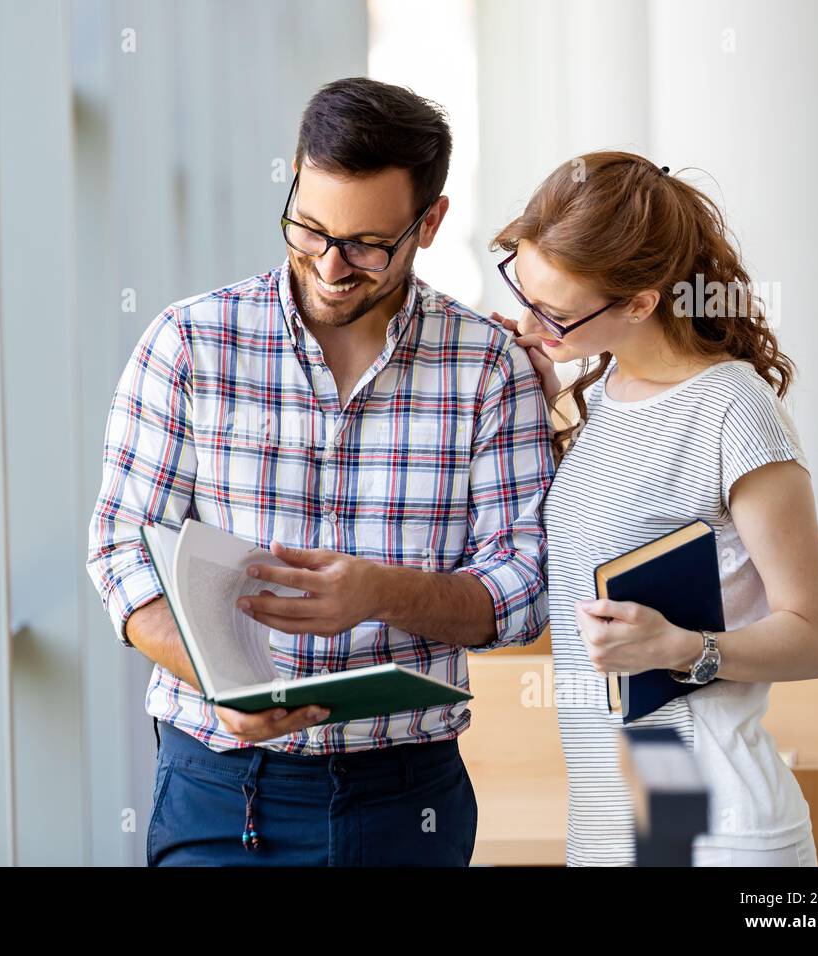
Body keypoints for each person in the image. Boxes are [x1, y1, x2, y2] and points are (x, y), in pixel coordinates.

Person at [86, 77, 554, 866]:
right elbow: (120, 556)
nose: (331, 266)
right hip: (219, 786)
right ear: (295, 180)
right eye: (309, 229)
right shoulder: (190, 344)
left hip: (409, 798)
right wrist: (217, 682)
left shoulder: (488, 367)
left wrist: (380, 592)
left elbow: (526, 587)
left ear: (430, 222)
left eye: (367, 244)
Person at [491, 151, 818, 866]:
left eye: (552, 312)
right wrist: (550, 387)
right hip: (618, 808)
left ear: (642, 303)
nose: (528, 320)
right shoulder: (603, 393)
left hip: (711, 819)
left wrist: (682, 649)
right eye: (522, 290)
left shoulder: (733, 408)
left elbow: (816, 637)